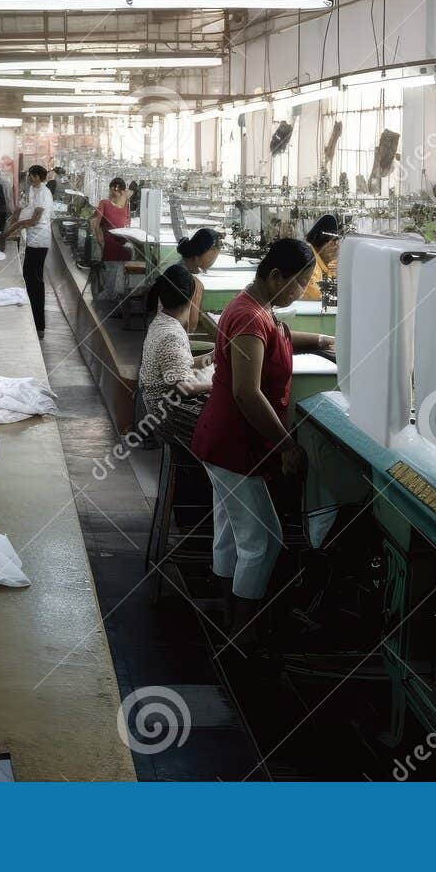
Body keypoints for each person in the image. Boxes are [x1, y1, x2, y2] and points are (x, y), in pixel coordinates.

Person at [190, 238, 335, 647]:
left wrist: (325, 342)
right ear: (275, 276)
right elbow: (246, 393)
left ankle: (227, 617)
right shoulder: (250, 318)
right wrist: (287, 444)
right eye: (300, 283)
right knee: (264, 542)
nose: (302, 290)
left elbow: (282, 336)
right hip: (234, 444)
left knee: (230, 534)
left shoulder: (254, 307)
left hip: (222, 440)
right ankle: (243, 637)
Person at [140, 263, 215, 401]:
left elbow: (180, 365)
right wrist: (214, 386)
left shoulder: (161, 321)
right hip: (166, 412)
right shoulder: (171, 336)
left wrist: (213, 356)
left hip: (151, 401)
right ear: (191, 298)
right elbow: (183, 388)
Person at [1, 164, 53, 339]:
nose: (31, 178)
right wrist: (14, 220)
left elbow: (35, 219)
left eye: (34, 176)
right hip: (32, 240)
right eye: (30, 175)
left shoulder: (44, 194)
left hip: (40, 241)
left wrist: (12, 229)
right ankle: (32, 320)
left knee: (35, 282)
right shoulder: (33, 190)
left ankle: (39, 326)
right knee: (28, 278)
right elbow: (24, 210)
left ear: (42, 177)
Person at [176, 227, 223, 338]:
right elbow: (191, 324)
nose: (213, 261)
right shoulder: (192, 282)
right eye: (212, 258)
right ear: (197, 256)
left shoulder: (176, 269)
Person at [89, 177, 132, 296]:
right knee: (110, 276)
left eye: (116, 191)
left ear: (122, 192)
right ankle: (106, 299)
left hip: (121, 245)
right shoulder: (104, 203)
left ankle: (113, 298)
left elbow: (127, 225)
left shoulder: (126, 206)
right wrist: (100, 241)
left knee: (119, 277)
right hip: (107, 244)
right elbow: (95, 224)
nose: (113, 193)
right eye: (112, 190)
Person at [301, 214, 342, 300]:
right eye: (333, 242)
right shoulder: (310, 264)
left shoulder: (325, 262)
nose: (337, 247)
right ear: (320, 243)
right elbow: (316, 296)